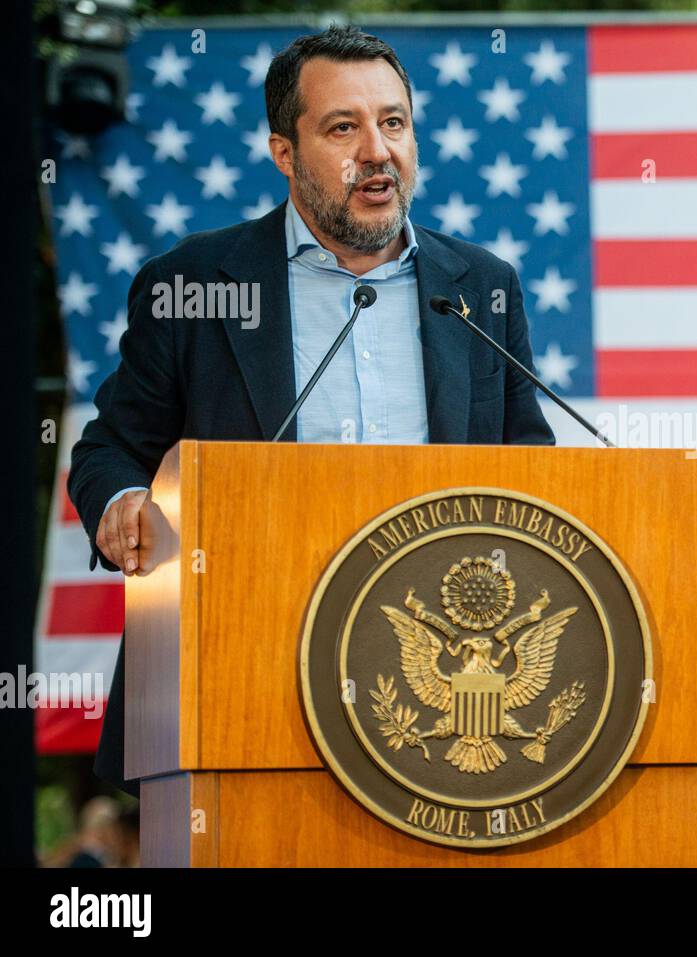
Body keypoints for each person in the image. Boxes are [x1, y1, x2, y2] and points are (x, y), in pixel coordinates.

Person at [66, 25, 554, 798]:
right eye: (343, 127)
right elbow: (109, 451)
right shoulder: (193, 282)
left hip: (433, 695)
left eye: (393, 122)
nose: (377, 149)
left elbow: (533, 470)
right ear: (284, 154)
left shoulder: (481, 288)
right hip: (241, 665)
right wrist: (126, 504)